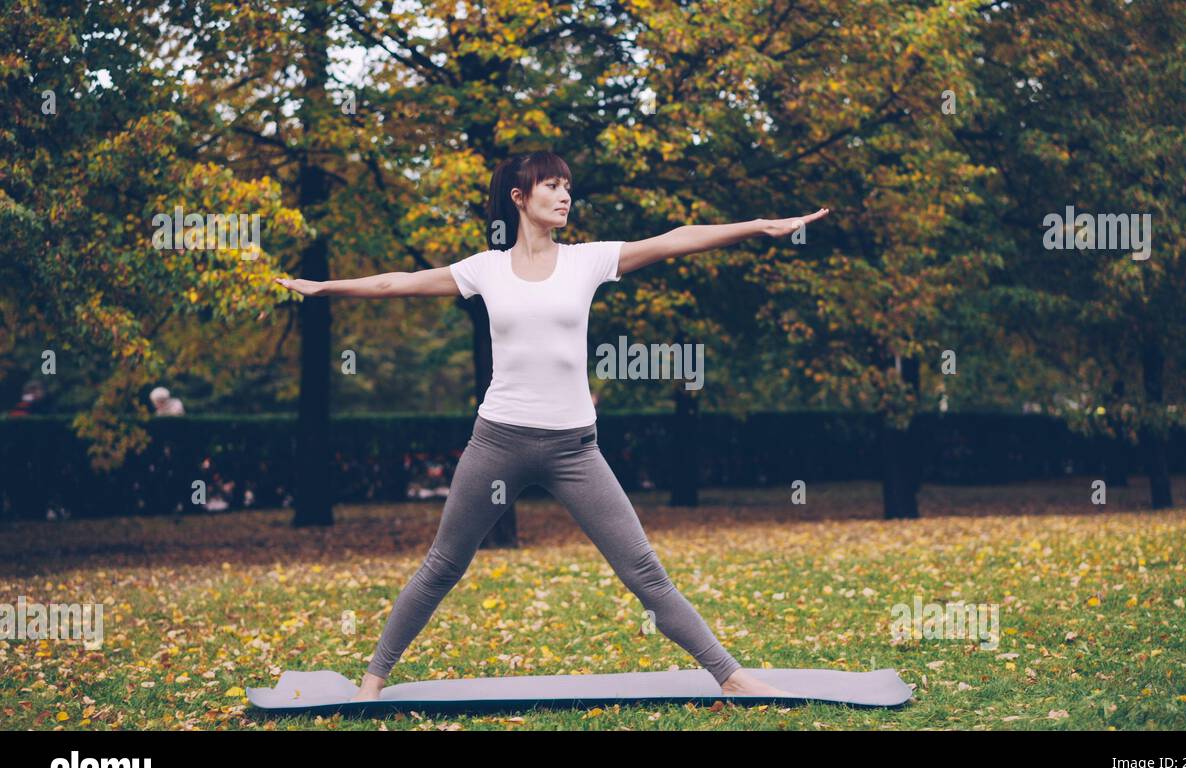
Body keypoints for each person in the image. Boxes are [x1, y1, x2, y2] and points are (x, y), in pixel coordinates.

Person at [276, 150, 828, 701]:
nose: (565, 196)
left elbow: (674, 238)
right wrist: (326, 288)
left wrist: (759, 226)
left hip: (575, 450)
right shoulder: (486, 269)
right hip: (497, 442)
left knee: (643, 570)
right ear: (519, 198)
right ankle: (372, 681)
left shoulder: (587, 260)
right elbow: (395, 284)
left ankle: (729, 674)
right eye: (552, 186)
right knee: (443, 565)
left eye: (567, 186)